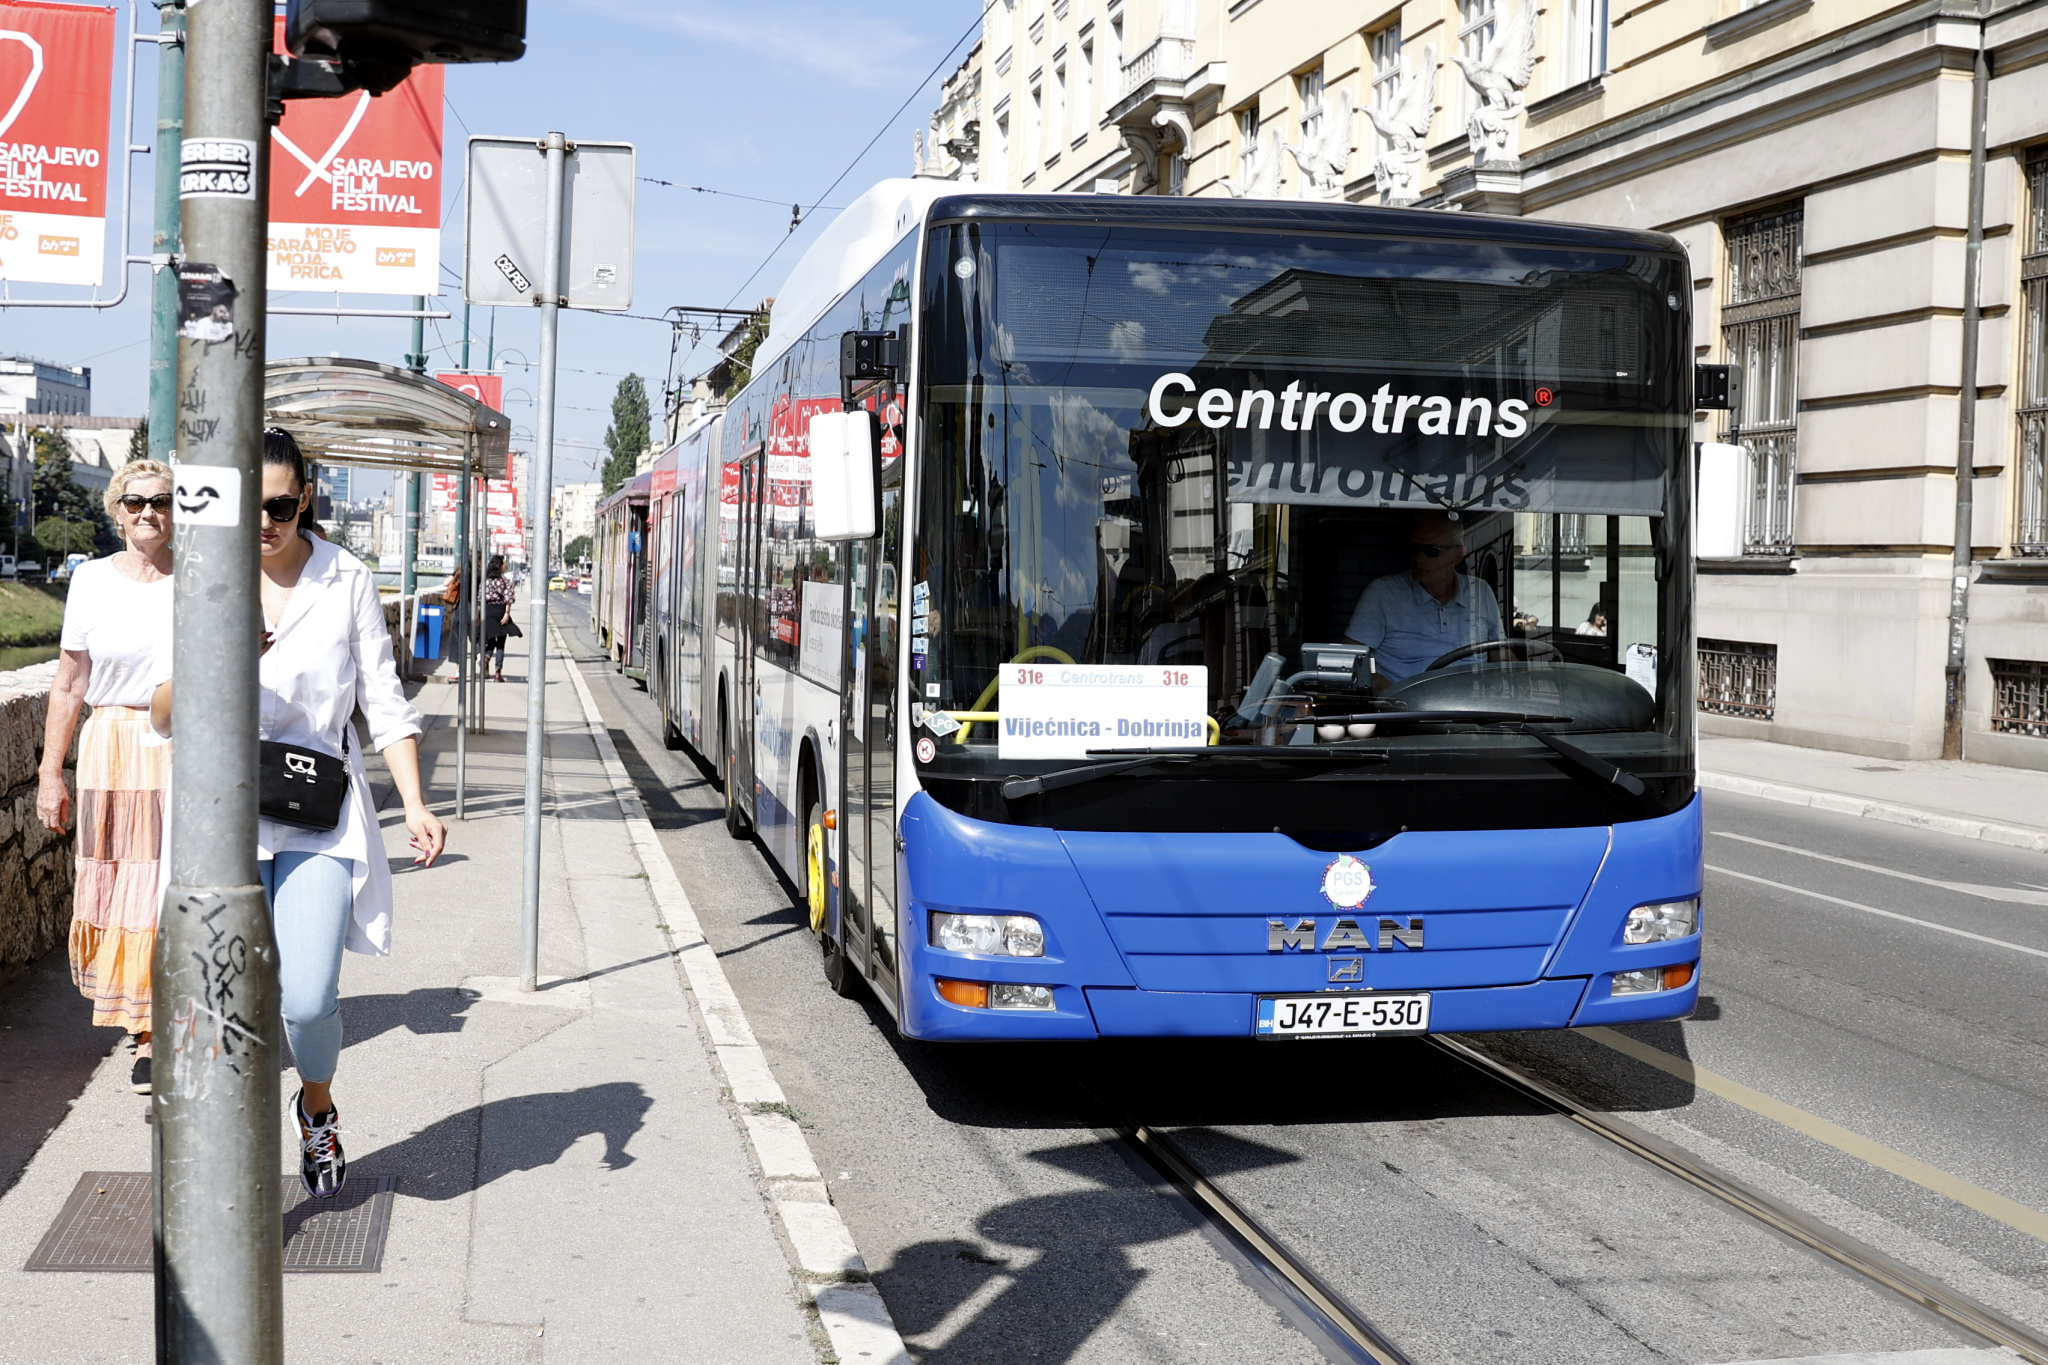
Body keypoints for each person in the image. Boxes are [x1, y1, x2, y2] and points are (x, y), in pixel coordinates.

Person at [150, 429, 447, 1197]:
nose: (268, 521)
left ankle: (315, 1104)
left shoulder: (345, 577)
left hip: (319, 812)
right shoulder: (207, 574)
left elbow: (383, 700)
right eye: (255, 505)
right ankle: (227, 1164)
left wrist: (414, 801)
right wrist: (222, 655)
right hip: (224, 813)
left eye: (282, 504)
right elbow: (160, 711)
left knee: (309, 998)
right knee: (222, 1003)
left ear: (306, 497)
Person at [37, 460, 175, 1093]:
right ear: (117, 510)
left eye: (163, 502)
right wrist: (48, 774)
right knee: (116, 881)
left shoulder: (197, 580)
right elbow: (69, 684)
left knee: (159, 884)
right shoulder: (90, 580)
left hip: (177, 745)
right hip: (109, 746)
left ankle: (154, 1030)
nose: (150, 512)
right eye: (137, 501)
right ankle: (137, 1018)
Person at [1343, 511, 1503, 685]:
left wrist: (1528, 677)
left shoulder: (1480, 592)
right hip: (1406, 707)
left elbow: (1501, 655)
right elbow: (1348, 660)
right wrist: (1379, 688)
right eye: (1414, 549)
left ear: (1458, 555)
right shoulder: (1384, 592)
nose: (1418, 558)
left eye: (1431, 551)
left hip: (1474, 706)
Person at [482, 554, 515, 682]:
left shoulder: (486, 582)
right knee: (500, 643)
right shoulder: (505, 581)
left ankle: (486, 658)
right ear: (499, 566)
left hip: (488, 611)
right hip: (501, 611)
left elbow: (480, 598)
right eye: (504, 564)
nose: (505, 566)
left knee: (490, 640)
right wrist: (507, 613)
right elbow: (509, 599)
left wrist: (479, 614)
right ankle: (497, 673)